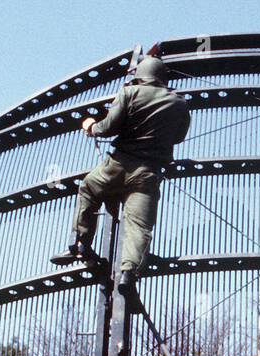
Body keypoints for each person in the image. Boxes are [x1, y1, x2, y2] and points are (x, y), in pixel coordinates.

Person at [50, 56, 191, 303]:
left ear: (141, 76)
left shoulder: (130, 92)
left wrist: (91, 126)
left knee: (88, 189)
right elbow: (178, 136)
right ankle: (128, 274)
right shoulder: (179, 103)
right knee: (139, 226)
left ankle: (81, 244)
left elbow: (108, 128)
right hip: (148, 174)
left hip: (117, 166)